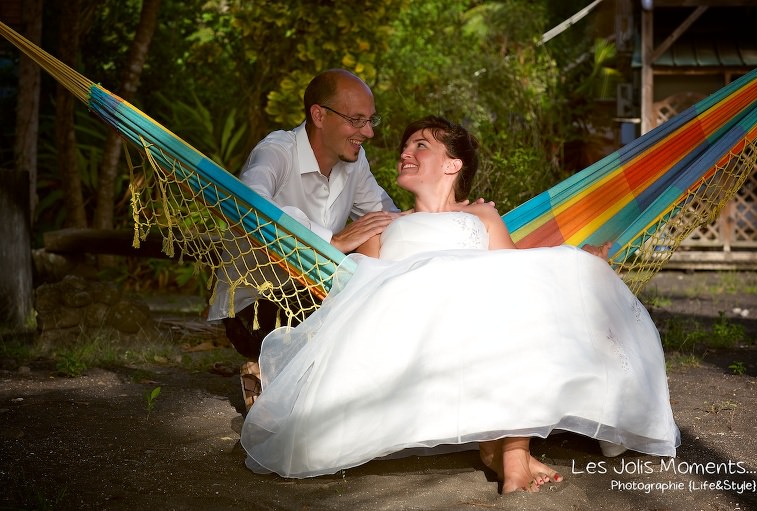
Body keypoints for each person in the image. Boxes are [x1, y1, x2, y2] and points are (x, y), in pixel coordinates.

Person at [239, 116, 680, 493]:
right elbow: (350, 291)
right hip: (411, 323)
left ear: (454, 164)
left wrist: (580, 262)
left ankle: (510, 453)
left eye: (421, 146)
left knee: (522, 290)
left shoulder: (482, 216)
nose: (405, 153)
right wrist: (338, 247)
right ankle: (503, 451)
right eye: (405, 147)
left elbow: (523, 276)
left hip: (482, 318)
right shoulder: (382, 224)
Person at [207, 69, 400, 407]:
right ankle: (268, 365)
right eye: (357, 120)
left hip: (318, 296)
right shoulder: (277, 151)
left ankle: (284, 376)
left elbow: (383, 214)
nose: (367, 132)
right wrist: (331, 240)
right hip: (258, 309)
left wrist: (439, 220)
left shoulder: (354, 161)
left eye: (371, 120)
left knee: (383, 269)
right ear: (319, 115)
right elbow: (250, 206)